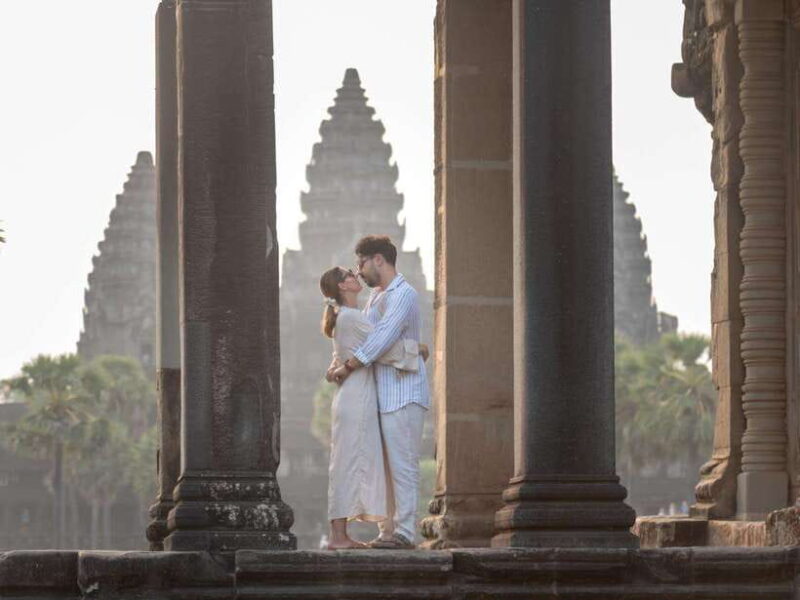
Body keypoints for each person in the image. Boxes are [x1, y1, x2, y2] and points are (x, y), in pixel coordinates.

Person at [330, 235, 430, 550]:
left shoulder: (404, 294)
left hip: (404, 390)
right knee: (386, 468)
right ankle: (388, 531)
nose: (358, 271)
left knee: (403, 465)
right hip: (380, 393)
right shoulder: (374, 297)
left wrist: (349, 365)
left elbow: (382, 338)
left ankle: (403, 532)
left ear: (378, 259)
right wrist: (413, 350)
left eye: (360, 262)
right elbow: (365, 336)